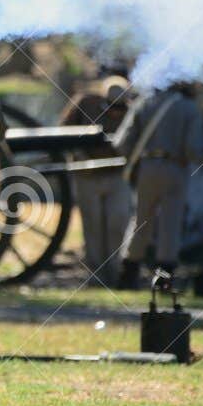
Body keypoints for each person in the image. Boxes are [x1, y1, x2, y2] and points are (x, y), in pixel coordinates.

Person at [111, 80, 203, 290]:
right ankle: (163, 280)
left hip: (147, 167)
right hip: (174, 168)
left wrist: (138, 158)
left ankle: (127, 274)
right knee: (170, 225)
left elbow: (122, 142)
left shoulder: (144, 103)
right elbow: (193, 149)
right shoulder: (188, 108)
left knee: (140, 221)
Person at [60, 75, 133, 283]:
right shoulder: (85, 104)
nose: (116, 112)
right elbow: (63, 131)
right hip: (87, 174)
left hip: (118, 173)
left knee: (117, 221)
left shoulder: (131, 111)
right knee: (93, 224)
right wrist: (78, 154)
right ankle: (96, 273)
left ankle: (116, 270)